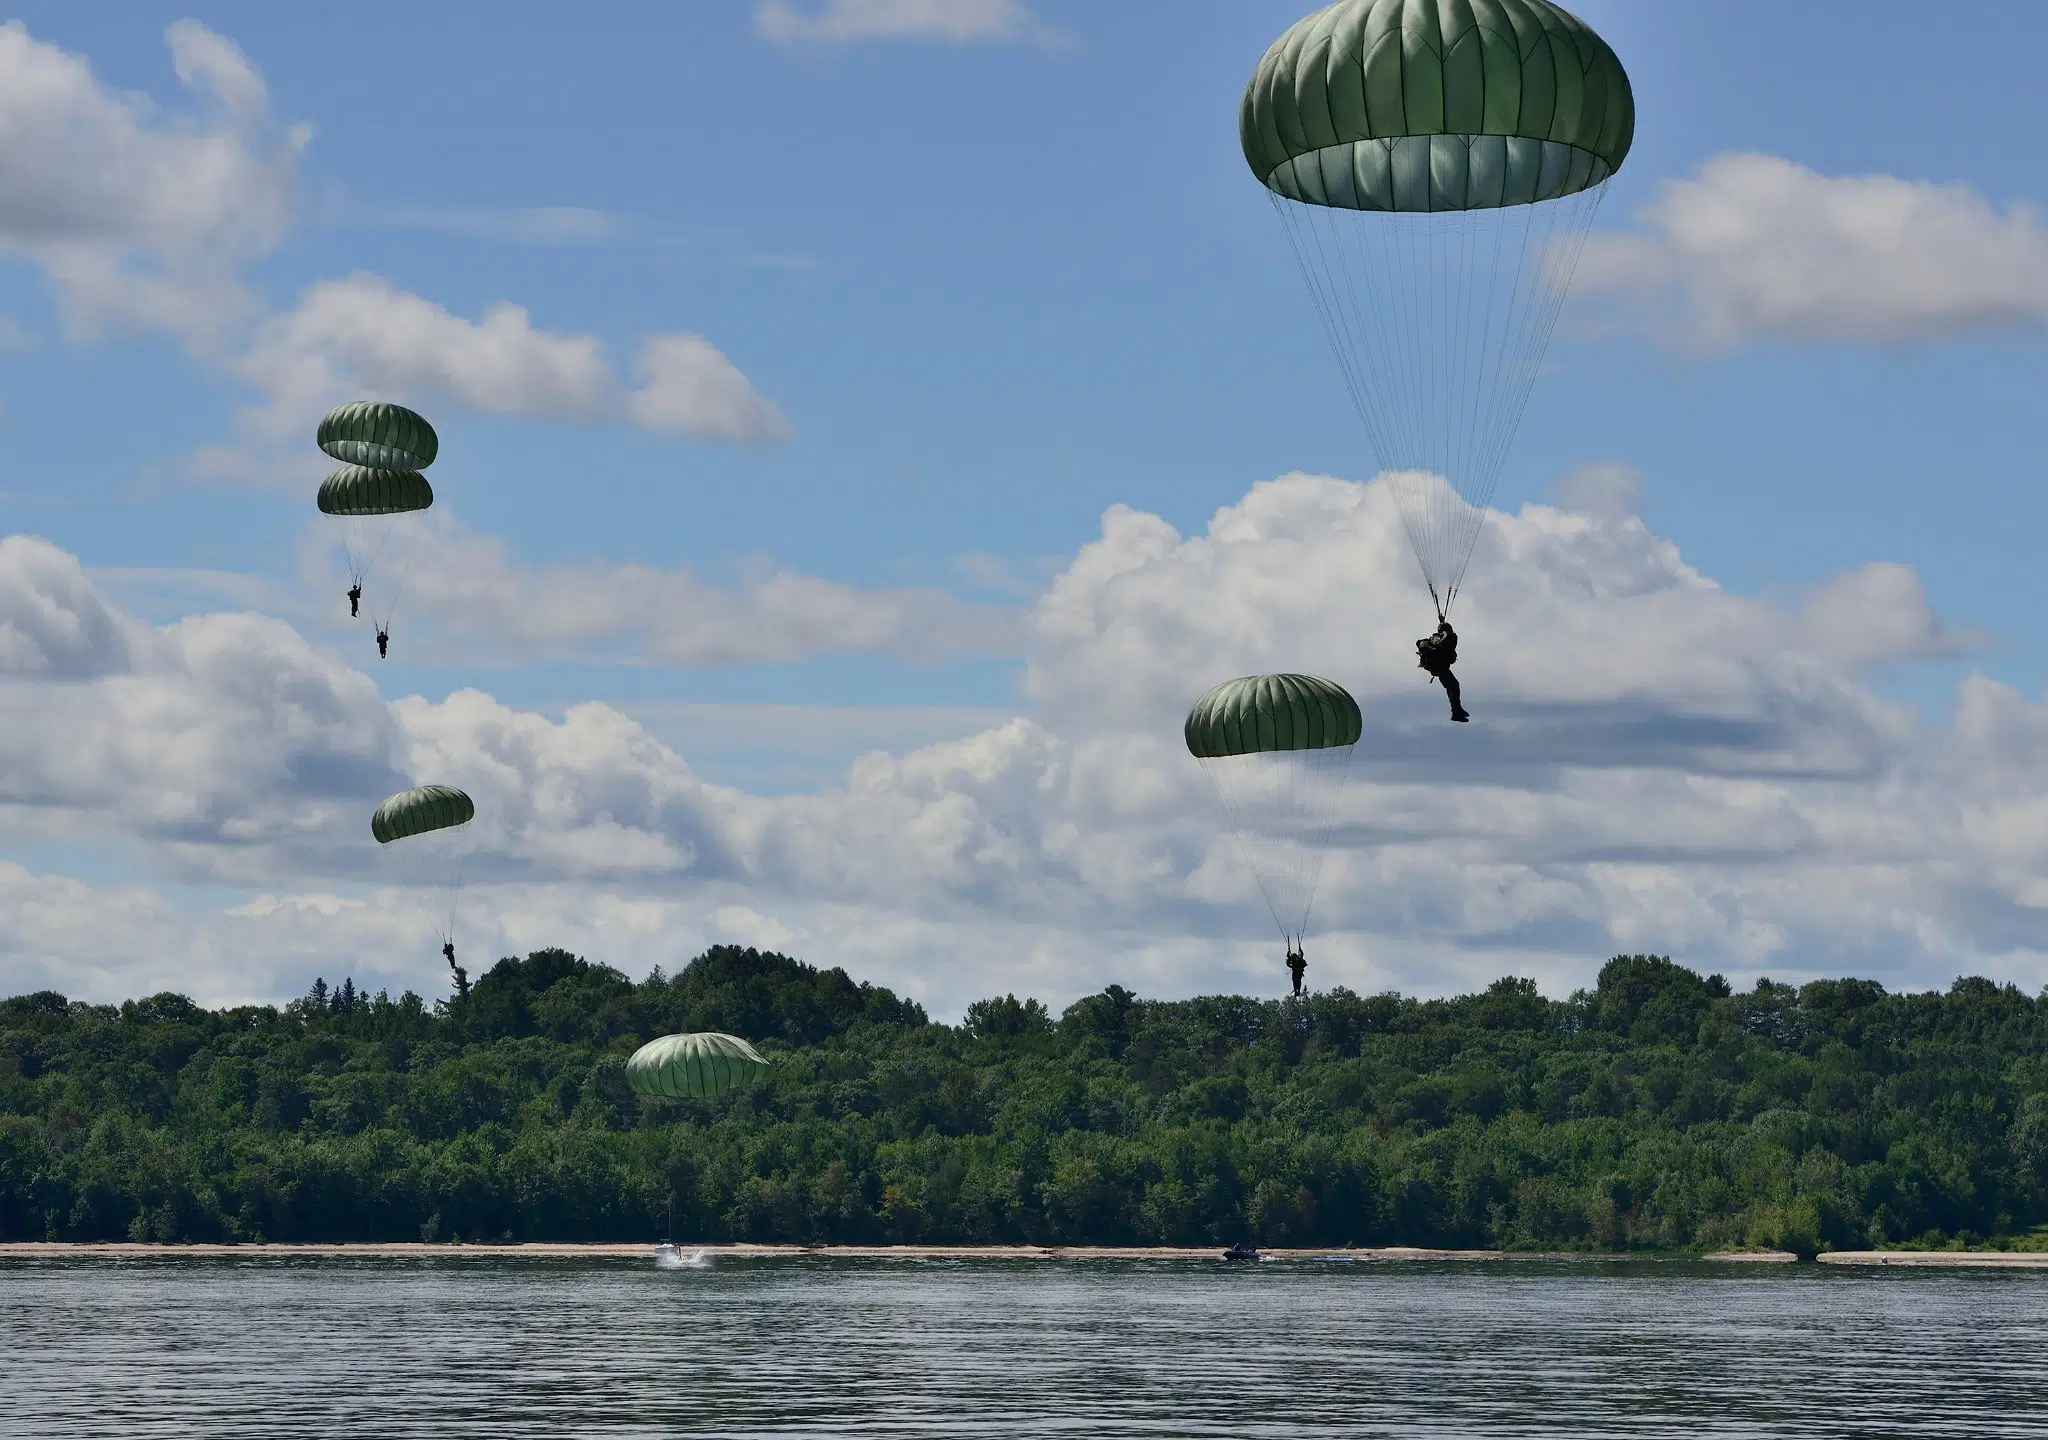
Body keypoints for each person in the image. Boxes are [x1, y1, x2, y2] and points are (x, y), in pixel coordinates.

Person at [1416, 619, 1470, 723]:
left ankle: (1457, 711)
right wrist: (1445, 633)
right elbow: (1439, 644)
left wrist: (1443, 626)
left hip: (1440, 667)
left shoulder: (1444, 636)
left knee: (1453, 686)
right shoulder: (1437, 637)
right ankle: (1456, 712)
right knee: (1453, 686)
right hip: (1439, 667)